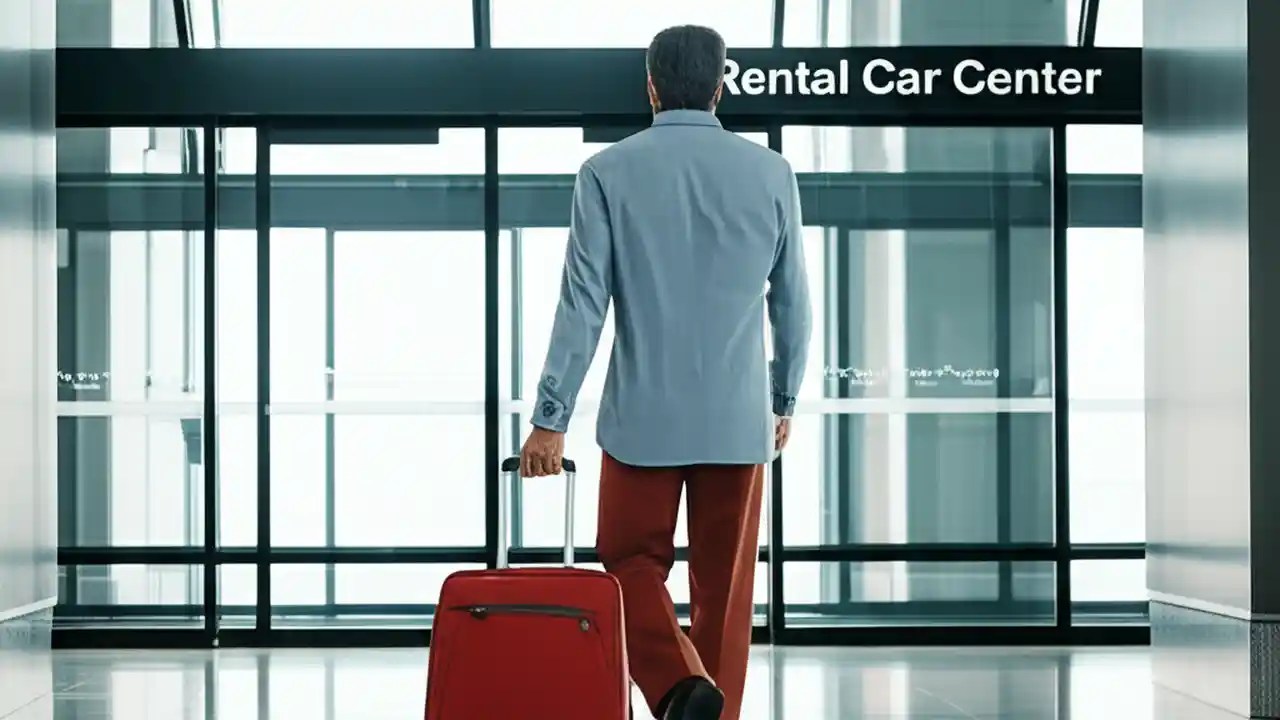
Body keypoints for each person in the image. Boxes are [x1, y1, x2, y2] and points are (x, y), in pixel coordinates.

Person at [519, 24, 811, 720]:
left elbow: (582, 305)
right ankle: (707, 704)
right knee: (724, 593)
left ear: (650, 86)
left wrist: (550, 419)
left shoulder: (607, 172)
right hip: (739, 423)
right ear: (721, 85)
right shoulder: (771, 173)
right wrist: (783, 396)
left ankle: (680, 687)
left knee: (626, 564)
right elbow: (793, 300)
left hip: (640, 420)